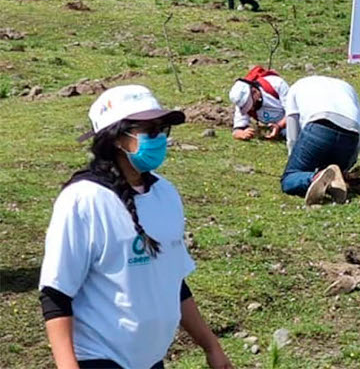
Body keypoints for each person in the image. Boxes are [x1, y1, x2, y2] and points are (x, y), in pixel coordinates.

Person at [39, 85, 232, 369]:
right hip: (100, 359)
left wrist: (211, 346)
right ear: (117, 137)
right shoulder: (83, 200)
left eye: (162, 130)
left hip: (151, 361)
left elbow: (174, 282)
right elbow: (56, 293)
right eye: (149, 131)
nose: (159, 139)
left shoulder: (165, 193)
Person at [228, 69, 360, 146]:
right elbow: (237, 128)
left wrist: (278, 126)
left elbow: (293, 111)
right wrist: (242, 134)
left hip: (302, 116)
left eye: (250, 103)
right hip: (290, 132)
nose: (249, 108)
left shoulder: (275, 84)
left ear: (255, 92)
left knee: (352, 119)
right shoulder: (244, 105)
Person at [279, 76, 360, 205]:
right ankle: (336, 179)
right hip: (350, 134)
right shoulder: (347, 87)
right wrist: (349, 164)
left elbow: (292, 129)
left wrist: (293, 158)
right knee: (332, 167)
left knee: (289, 178)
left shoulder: (296, 87)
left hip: (319, 126)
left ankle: (316, 177)